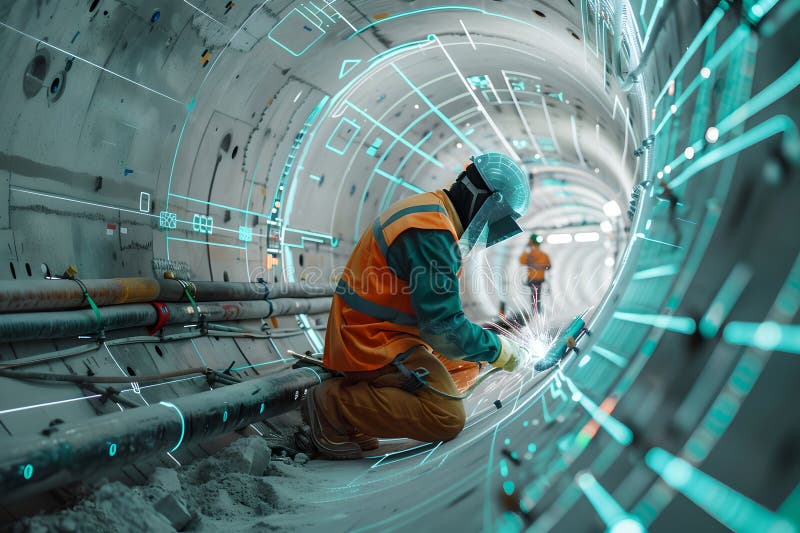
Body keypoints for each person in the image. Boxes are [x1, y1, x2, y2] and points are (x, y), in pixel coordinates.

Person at [302, 153, 532, 459]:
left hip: (385, 333)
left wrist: (485, 349)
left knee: (466, 365)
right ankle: (333, 406)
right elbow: (444, 329)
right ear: (489, 203)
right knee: (446, 417)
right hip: (372, 342)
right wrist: (501, 350)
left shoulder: (434, 211)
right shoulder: (432, 234)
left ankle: (369, 406)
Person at [519, 234, 551, 314]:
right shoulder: (530, 255)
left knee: (535, 296)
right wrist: (542, 267)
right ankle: (536, 312)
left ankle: (536, 312)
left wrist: (539, 266)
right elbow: (522, 262)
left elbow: (548, 266)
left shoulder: (542, 255)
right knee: (536, 296)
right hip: (534, 280)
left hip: (536, 279)